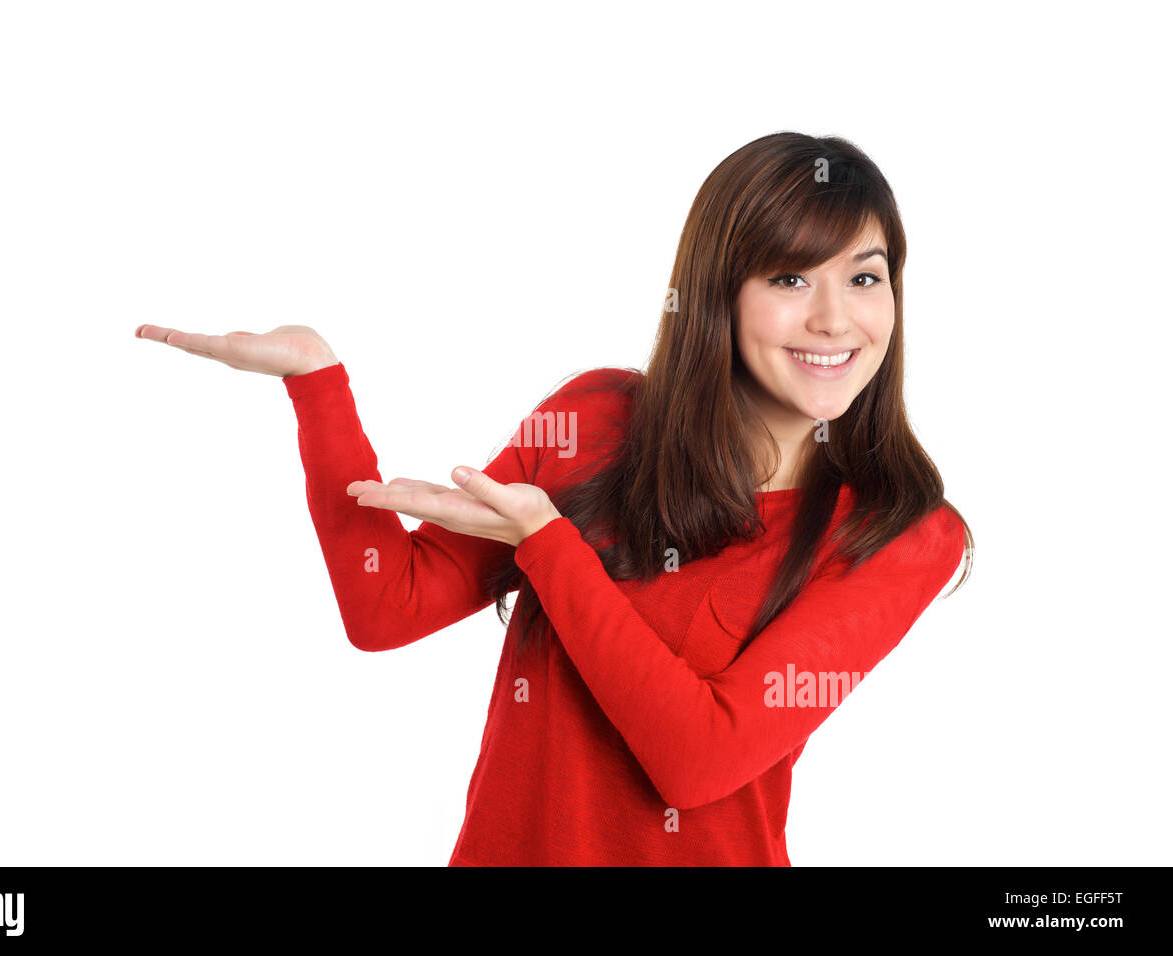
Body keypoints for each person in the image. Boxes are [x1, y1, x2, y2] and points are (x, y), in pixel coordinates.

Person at [135, 131, 974, 866]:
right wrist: (318, 386)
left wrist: (548, 541)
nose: (835, 319)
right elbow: (386, 606)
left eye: (865, 278)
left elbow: (698, 759)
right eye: (791, 279)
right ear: (720, 291)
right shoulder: (598, 418)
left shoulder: (901, 535)